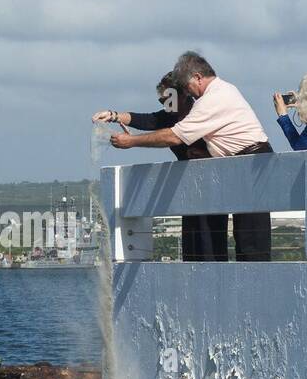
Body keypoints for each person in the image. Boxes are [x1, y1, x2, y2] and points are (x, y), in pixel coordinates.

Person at [110, 51, 273, 261]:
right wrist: (115, 115)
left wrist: (131, 141)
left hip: (249, 160)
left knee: (250, 240)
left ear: (197, 77)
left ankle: (253, 285)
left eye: (187, 88)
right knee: (237, 238)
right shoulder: (217, 93)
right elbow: (155, 119)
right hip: (237, 164)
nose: (191, 93)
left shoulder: (210, 100)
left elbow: (174, 136)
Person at [93, 73, 228, 261]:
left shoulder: (198, 112)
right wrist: (113, 116)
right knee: (192, 244)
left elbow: (170, 137)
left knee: (211, 243)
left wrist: (131, 141)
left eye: (167, 98)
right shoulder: (171, 116)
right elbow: (147, 119)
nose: (165, 103)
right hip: (191, 186)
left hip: (212, 184)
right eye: (162, 100)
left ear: (183, 94)